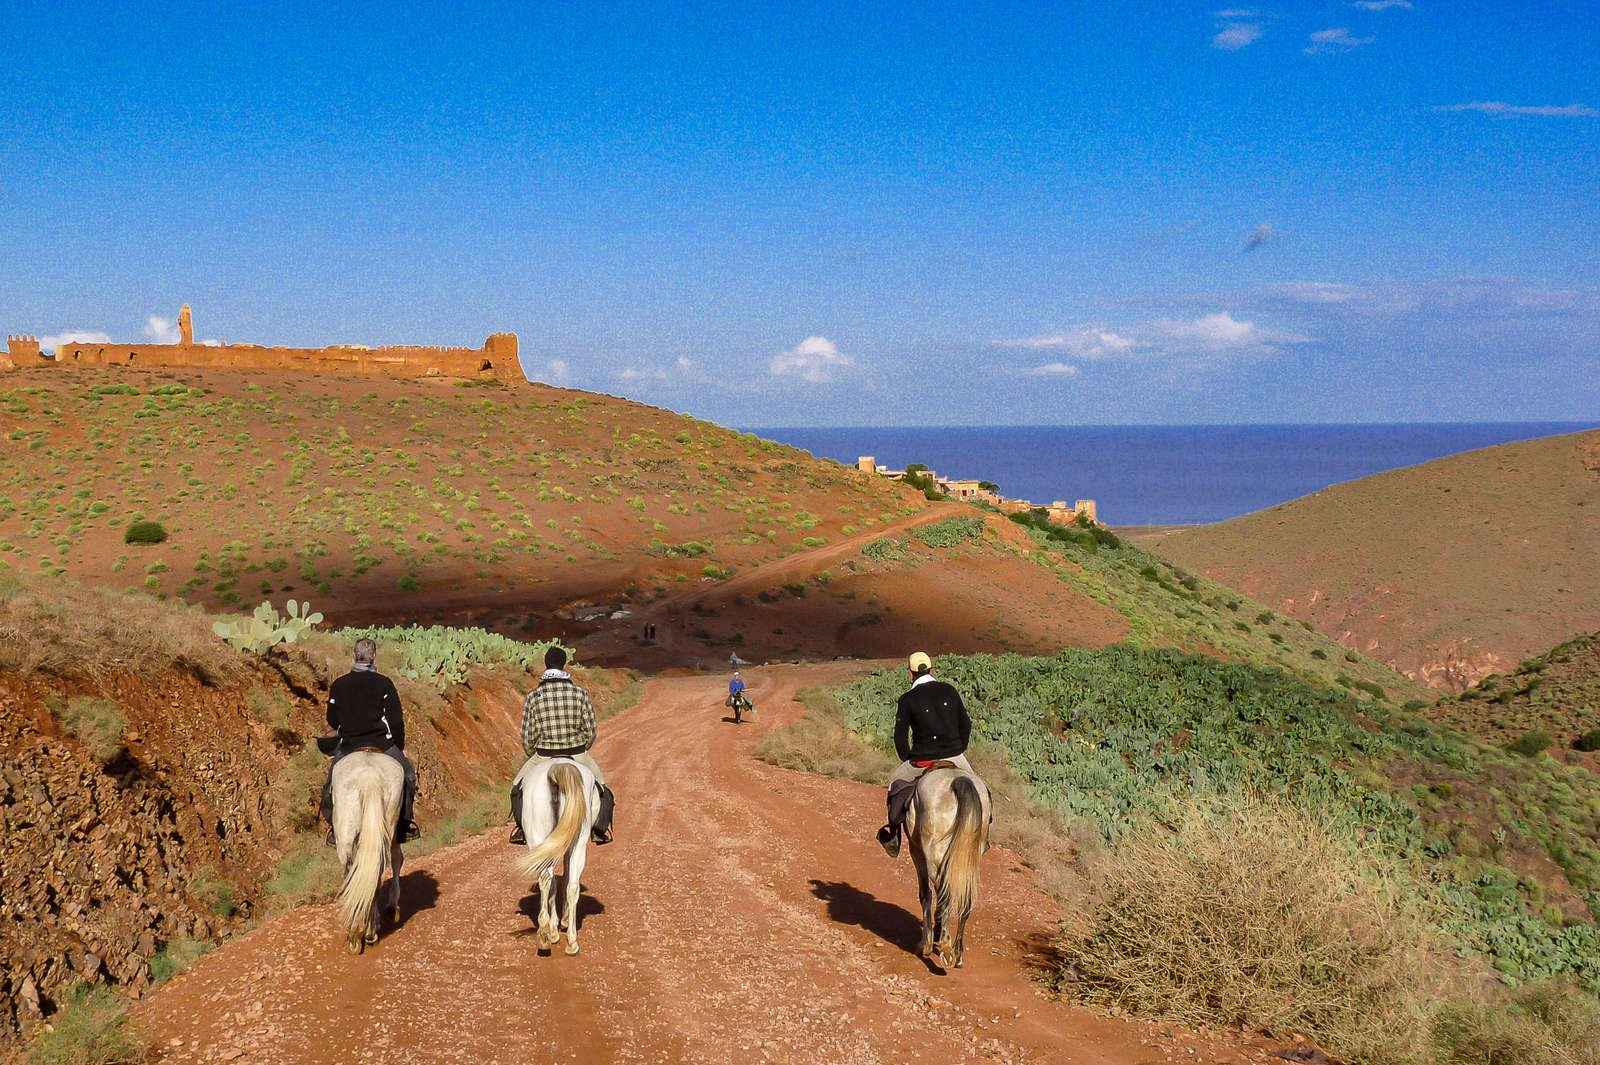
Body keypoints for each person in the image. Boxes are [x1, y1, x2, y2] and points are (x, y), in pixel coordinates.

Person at [876, 651, 983, 858]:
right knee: (980, 789)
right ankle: (984, 835)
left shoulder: (907, 699)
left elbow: (900, 737)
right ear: (932, 671)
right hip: (954, 756)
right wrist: (958, 749)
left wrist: (908, 759)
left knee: (895, 785)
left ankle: (893, 836)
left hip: (921, 760)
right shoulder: (949, 690)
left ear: (911, 674)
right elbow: (966, 725)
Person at [509, 646, 615, 845]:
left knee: (516, 788)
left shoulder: (533, 697)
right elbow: (591, 730)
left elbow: (527, 735)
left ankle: (521, 830)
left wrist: (533, 753)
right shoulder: (580, 693)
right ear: (565, 665)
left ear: (545, 666)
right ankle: (599, 830)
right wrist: (582, 748)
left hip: (543, 755)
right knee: (603, 789)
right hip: (577, 754)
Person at [320, 638, 420, 842]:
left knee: (330, 784)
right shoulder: (385, 683)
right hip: (381, 743)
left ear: (354, 656)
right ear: (374, 657)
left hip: (349, 746)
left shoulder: (339, 684)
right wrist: (400, 746)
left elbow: (332, 718)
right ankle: (405, 825)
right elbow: (396, 721)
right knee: (409, 776)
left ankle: (333, 828)